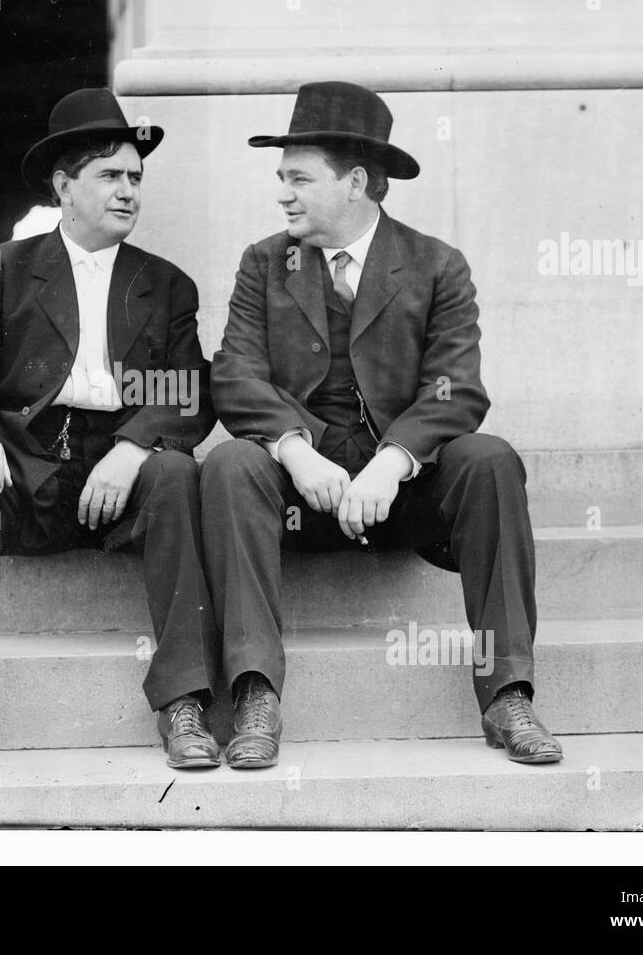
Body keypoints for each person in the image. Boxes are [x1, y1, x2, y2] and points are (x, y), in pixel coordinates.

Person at [201, 81, 563, 769]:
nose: (283, 194)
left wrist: (393, 463)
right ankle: (254, 694)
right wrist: (296, 452)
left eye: (299, 178)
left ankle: (508, 693)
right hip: (298, 497)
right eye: (282, 178)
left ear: (356, 183)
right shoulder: (263, 263)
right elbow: (235, 375)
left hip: (405, 496)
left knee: (490, 459)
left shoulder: (434, 265)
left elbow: (456, 391)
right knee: (228, 464)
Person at [0, 88, 222, 776]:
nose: (128, 190)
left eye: (135, 177)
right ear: (66, 188)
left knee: (176, 473)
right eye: (111, 176)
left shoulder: (166, 286)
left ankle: (184, 702)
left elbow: (187, 389)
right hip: (23, 472)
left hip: (118, 481)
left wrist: (135, 446)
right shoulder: (2, 270)